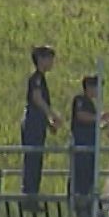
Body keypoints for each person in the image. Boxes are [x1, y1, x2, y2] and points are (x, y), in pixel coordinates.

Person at [22, 45, 62, 198]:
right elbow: (37, 99)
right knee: (32, 158)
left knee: (37, 159)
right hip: (33, 122)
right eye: (49, 58)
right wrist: (53, 115)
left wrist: (48, 123)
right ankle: (29, 195)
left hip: (38, 121)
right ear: (41, 59)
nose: (52, 62)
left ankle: (33, 194)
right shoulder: (37, 78)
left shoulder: (41, 78)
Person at [69, 75, 101, 215]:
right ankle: (79, 207)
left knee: (89, 179)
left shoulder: (91, 103)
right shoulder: (80, 100)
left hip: (90, 146)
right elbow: (81, 115)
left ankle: (87, 208)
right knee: (80, 178)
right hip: (82, 146)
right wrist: (98, 117)